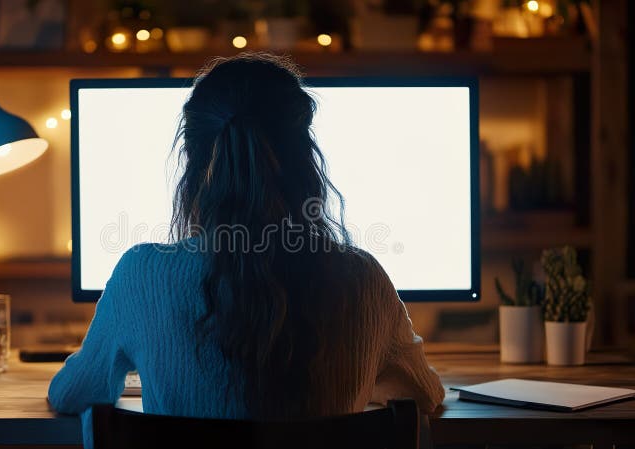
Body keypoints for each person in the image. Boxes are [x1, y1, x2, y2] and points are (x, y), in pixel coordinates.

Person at [48, 53, 445, 447]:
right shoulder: (364, 281)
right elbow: (424, 395)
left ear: (192, 161)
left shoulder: (140, 275)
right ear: (306, 161)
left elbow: (73, 394)